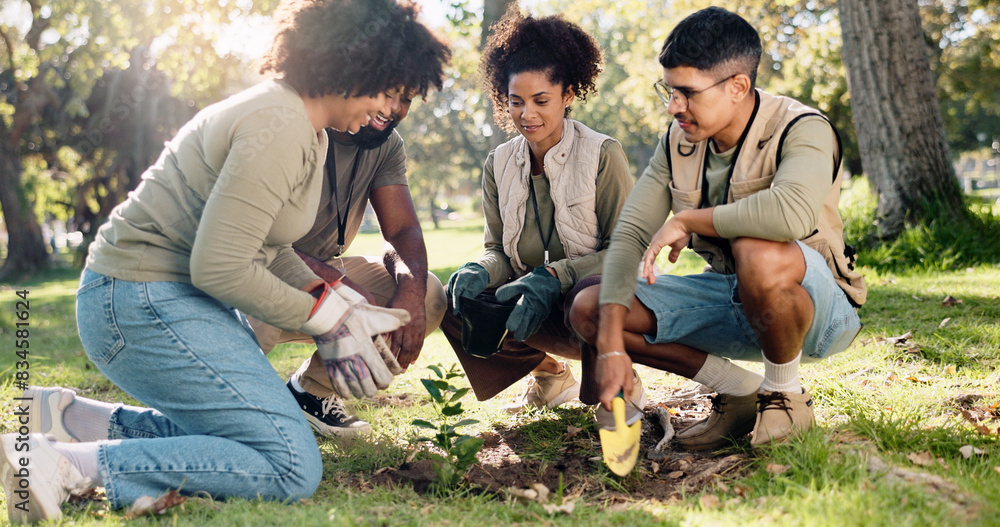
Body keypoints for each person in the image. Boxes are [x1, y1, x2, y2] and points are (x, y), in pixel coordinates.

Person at [0, 0, 451, 523]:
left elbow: (269, 249)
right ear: (353, 67)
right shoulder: (279, 121)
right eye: (387, 89)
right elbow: (220, 267)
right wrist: (332, 321)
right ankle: (63, 465)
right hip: (136, 300)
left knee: (247, 433)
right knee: (290, 463)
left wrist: (341, 304)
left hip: (159, 299)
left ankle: (69, 420)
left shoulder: (309, 128)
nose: (388, 109)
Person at [569, 7, 867, 451]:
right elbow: (631, 233)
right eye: (668, 91)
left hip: (816, 311)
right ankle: (739, 390)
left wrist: (690, 219)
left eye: (686, 93)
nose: (673, 107)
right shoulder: (677, 139)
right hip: (732, 299)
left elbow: (791, 214)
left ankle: (785, 396)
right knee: (590, 308)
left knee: (758, 247)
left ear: (738, 87)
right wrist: (611, 347)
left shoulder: (804, 128)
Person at [444, 9, 645, 418]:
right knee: (455, 298)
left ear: (568, 95)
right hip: (529, 307)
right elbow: (498, 249)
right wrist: (481, 269)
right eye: (516, 102)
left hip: (591, 308)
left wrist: (557, 276)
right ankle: (551, 376)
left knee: (588, 297)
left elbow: (627, 254)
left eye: (541, 101)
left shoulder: (603, 154)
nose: (527, 115)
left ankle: (621, 379)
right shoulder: (498, 163)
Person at [249, 80, 450, 437]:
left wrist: (410, 287)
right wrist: (346, 289)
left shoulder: (386, 143)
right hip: (250, 270)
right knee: (257, 305)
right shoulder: (293, 124)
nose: (394, 109)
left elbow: (402, 230)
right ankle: (217, 412)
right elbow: (260, 244)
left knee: (428, 293)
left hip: (318, 277)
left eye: (405, 99)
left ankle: (311, 394)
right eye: (387, 93)